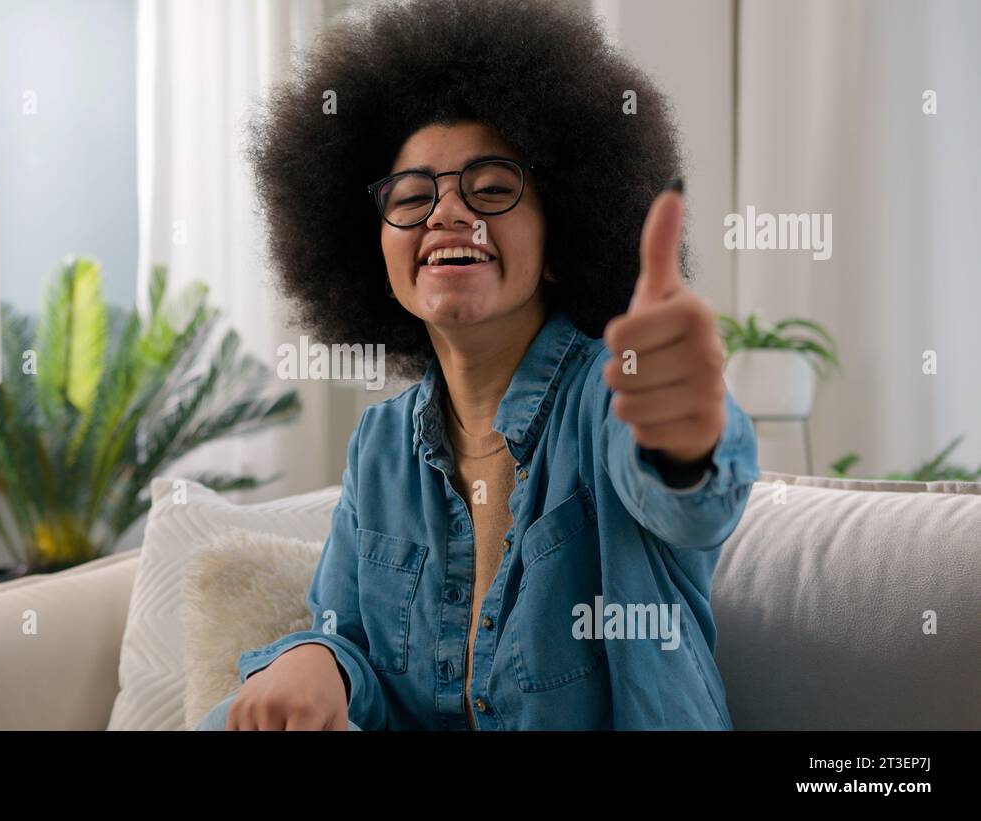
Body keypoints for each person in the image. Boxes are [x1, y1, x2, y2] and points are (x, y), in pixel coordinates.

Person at [197, 0, 759, 731]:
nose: (446, 213)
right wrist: (319, 658)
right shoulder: (379, 448)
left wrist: (683, 439)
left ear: (561, 239)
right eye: (411, 196)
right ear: (373, 255)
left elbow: (693, 501)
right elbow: (350, 640)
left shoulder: (609, 397)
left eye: (492, 189)